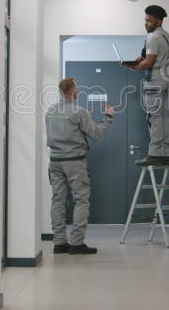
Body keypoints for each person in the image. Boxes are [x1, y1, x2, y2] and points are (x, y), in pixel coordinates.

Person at [45, 77, 114, 255]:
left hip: (55, 162)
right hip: (74, 162)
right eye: (76, 89)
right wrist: (108, 117)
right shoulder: (79, 112)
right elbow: (97, 134)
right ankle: (76, 244)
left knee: (58, 201)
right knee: (81, 200)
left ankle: (59, 243)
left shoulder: (50, 111)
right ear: (73, 92)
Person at [122, 4, 169, 166]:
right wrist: (141, 60)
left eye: (149, 21)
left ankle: (155, 153)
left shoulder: (153, 37)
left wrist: (132, 66)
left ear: (159, 21)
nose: (146, 24)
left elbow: (150, 62)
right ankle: (167, 152)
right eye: (145, 20)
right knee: (164, 116)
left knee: (153, 117)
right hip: (166, 80)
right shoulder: (168, 37)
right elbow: (151, 57)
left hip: (154, 82)